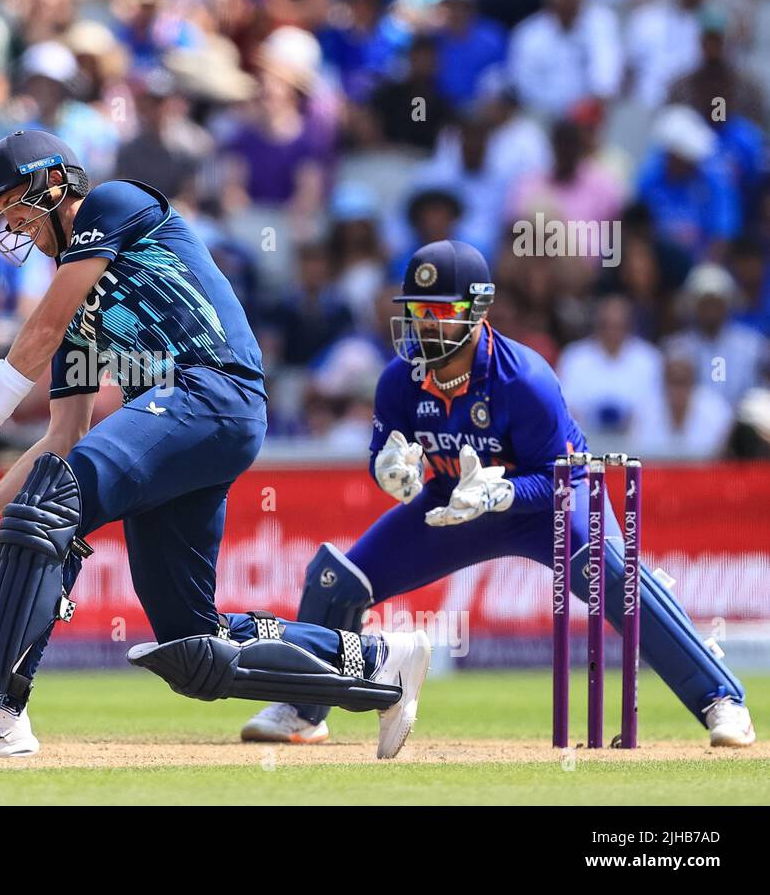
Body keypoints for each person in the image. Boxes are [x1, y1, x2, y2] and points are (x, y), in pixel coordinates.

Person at [0, 129, 433, 759]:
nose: (10, 221)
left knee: (55, 503)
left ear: (53, 182)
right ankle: (382, 661)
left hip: (211, 391)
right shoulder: (77, 301)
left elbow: (40, 327)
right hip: (180, 426)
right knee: (192, 648)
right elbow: (62, 436)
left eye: (13, 201)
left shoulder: (114, 204)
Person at [240, 241, 755, 749]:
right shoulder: (400, 379)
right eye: (418, 310)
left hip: (551, 504)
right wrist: (389, 470)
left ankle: (721, 701)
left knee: (616, 580)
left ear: (478, 309)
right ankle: (303, 710)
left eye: (442, 310)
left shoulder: (524, 379)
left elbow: (561, 475)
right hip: (452, 504)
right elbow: (385, 447)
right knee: (337, 581)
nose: (426, 324)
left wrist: (503, 492)